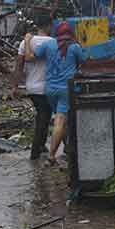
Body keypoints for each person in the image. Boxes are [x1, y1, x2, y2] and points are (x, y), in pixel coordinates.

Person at [25, 21, 87, 165]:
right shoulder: (74, 47)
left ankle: (68, 150)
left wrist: (28, 41)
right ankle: (52, 156)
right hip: (67, 89)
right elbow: (84, 61)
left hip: (50, 90)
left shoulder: (49, 45)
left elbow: (29, 57)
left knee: (61, 120)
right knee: (60, 121)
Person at [10, 15, 53, 160]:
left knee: (44, 116)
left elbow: (19, 66)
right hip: (48, 87)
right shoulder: (53, 43)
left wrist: (15, 86)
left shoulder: (24, 42)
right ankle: (35, 152)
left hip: (31, 87)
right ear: (49, 26)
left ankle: (41, 147)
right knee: (44, 117)